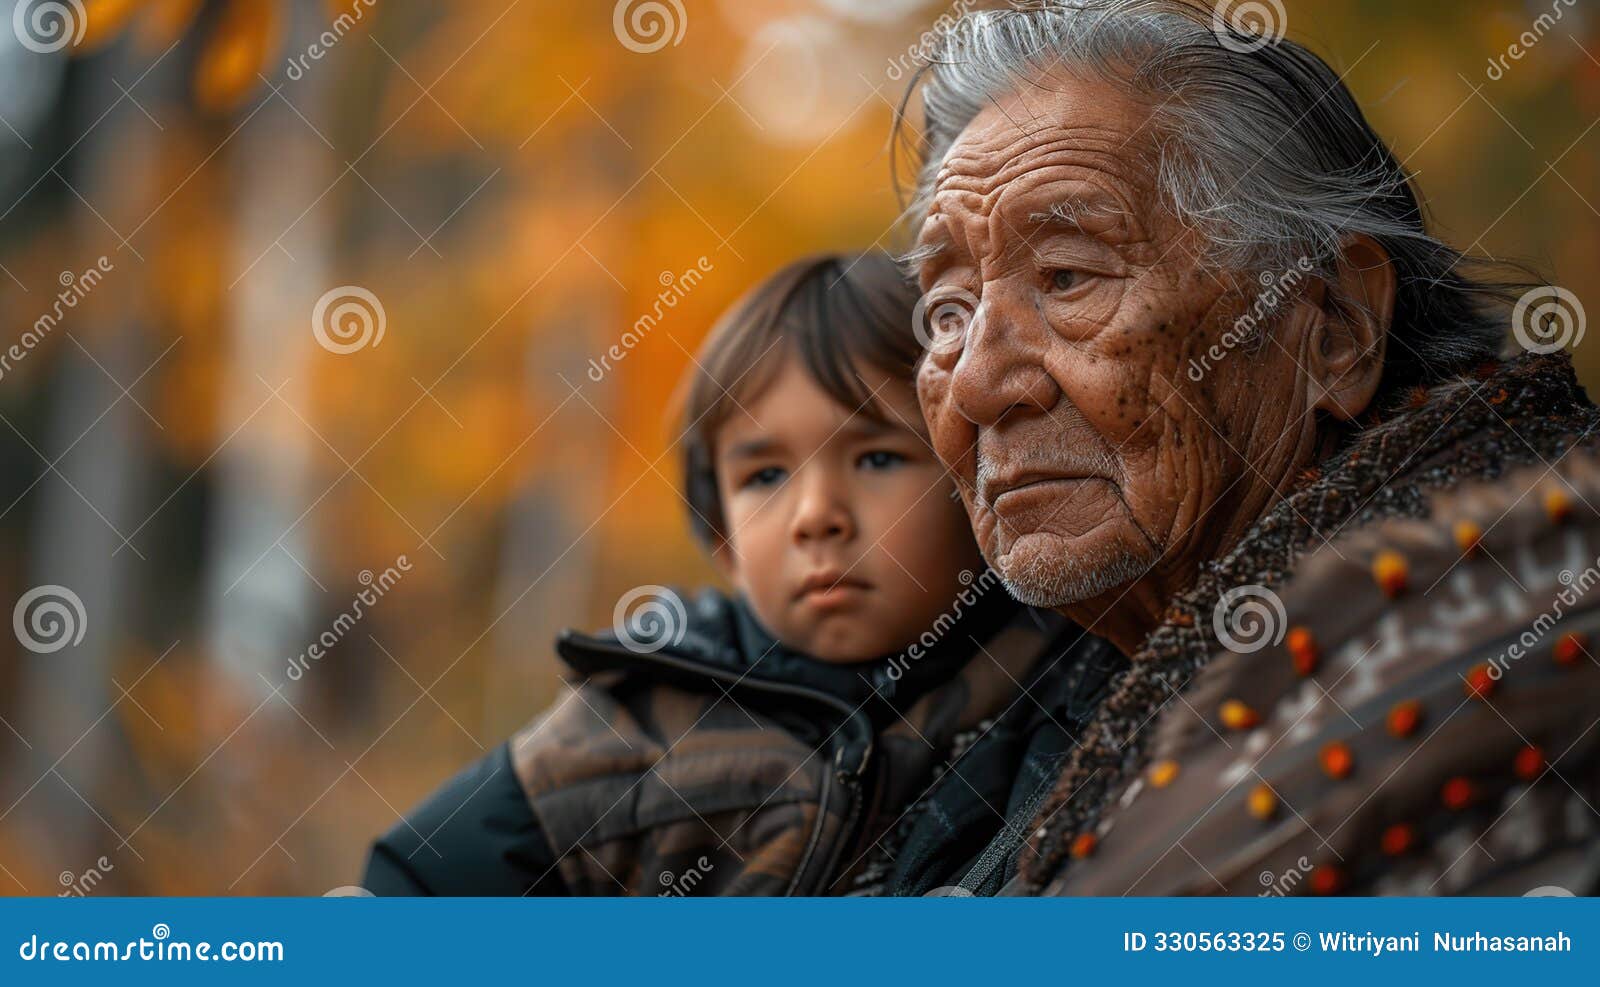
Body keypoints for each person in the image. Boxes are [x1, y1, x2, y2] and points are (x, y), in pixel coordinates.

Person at [893, 0, 1600, 895]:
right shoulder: (973, 707)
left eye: (1068, 276)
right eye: (948, 309)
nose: (976, 383)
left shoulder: (1520, 638)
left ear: (1334, 329)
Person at [360, 252, 1120, 895]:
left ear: (976, 473)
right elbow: (409, 888)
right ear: (722, 535)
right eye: (765, 476)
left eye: (877, 458)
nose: (815, 515)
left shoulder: (1071, 659)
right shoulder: (642, 716)